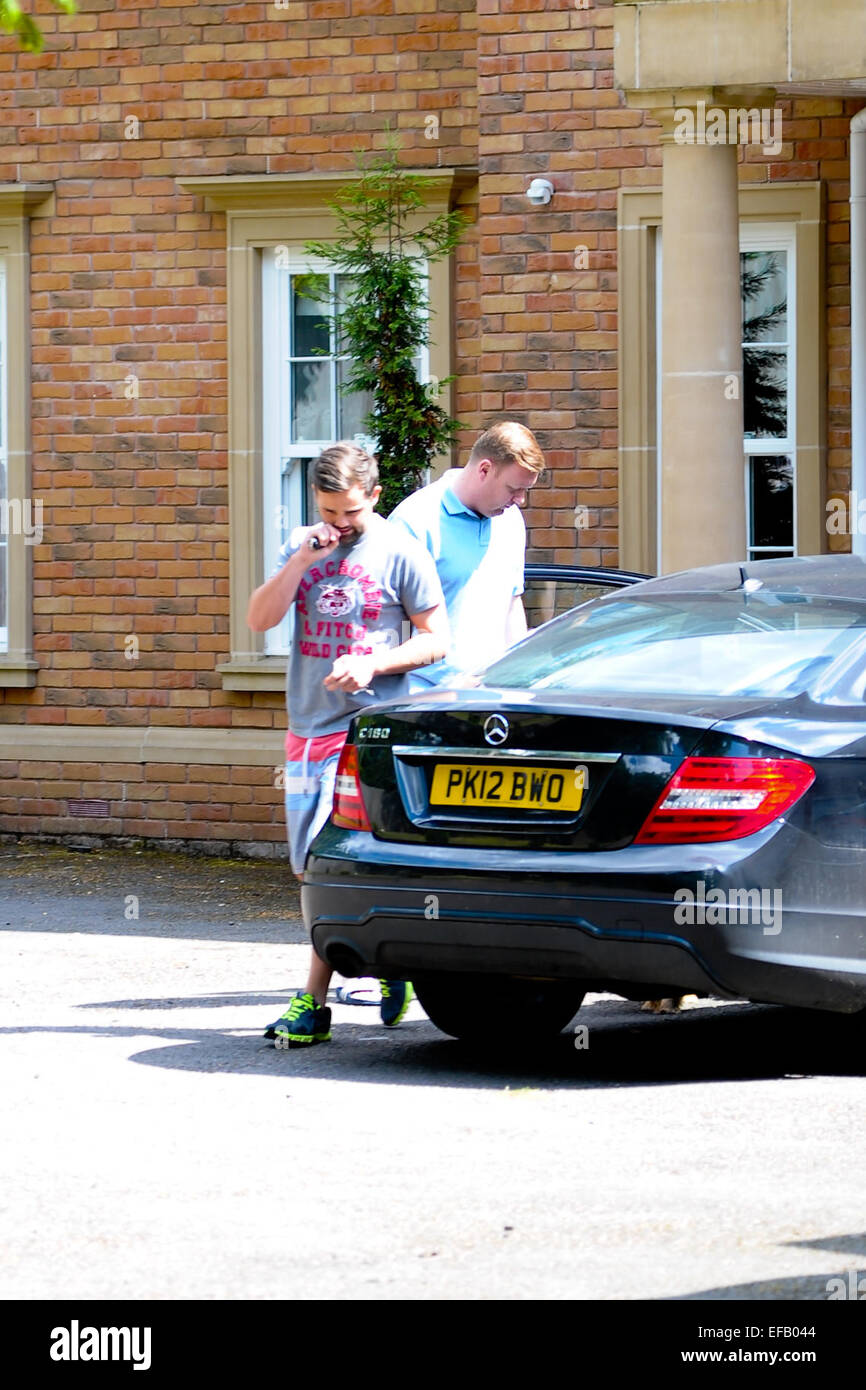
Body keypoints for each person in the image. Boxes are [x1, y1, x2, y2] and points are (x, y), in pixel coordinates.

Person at [247, 442, 448, 1047]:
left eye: (351, 513)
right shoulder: (304, 547)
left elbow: (438, 639)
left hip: (368, 730)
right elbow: (259, 620)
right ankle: (390, 961)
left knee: (326, 861)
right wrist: (300, 564)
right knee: (308, 865)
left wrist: (376, 663)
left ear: (375, 497)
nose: (340, 524)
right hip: (306, 725)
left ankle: (311, 1003)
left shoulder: (403, 553)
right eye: (329, 511)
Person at [388, 421, 544, 688]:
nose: (520, 500)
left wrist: (519, 681)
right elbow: (390, 624)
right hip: (423, 700)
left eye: (525, 490)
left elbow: (511, 603)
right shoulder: (413, 521)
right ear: (485, 469)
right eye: (513, 489)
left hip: (492, 700)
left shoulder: (511, 520)